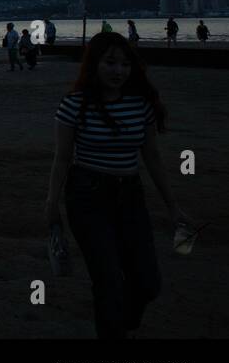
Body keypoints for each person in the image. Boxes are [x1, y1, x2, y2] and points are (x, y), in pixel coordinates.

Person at [44, 31, 190, 339]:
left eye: (125, 64)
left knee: (148, 282)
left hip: (130, 196)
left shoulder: (141, 105)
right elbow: (62, 158)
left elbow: (152, 158)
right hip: (87, 196)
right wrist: (51, 204)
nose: (118, 71)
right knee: (107, 280)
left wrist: (173, 207)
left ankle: (121, 322)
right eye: (110, 62)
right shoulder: (74, 105)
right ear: (94, 65)